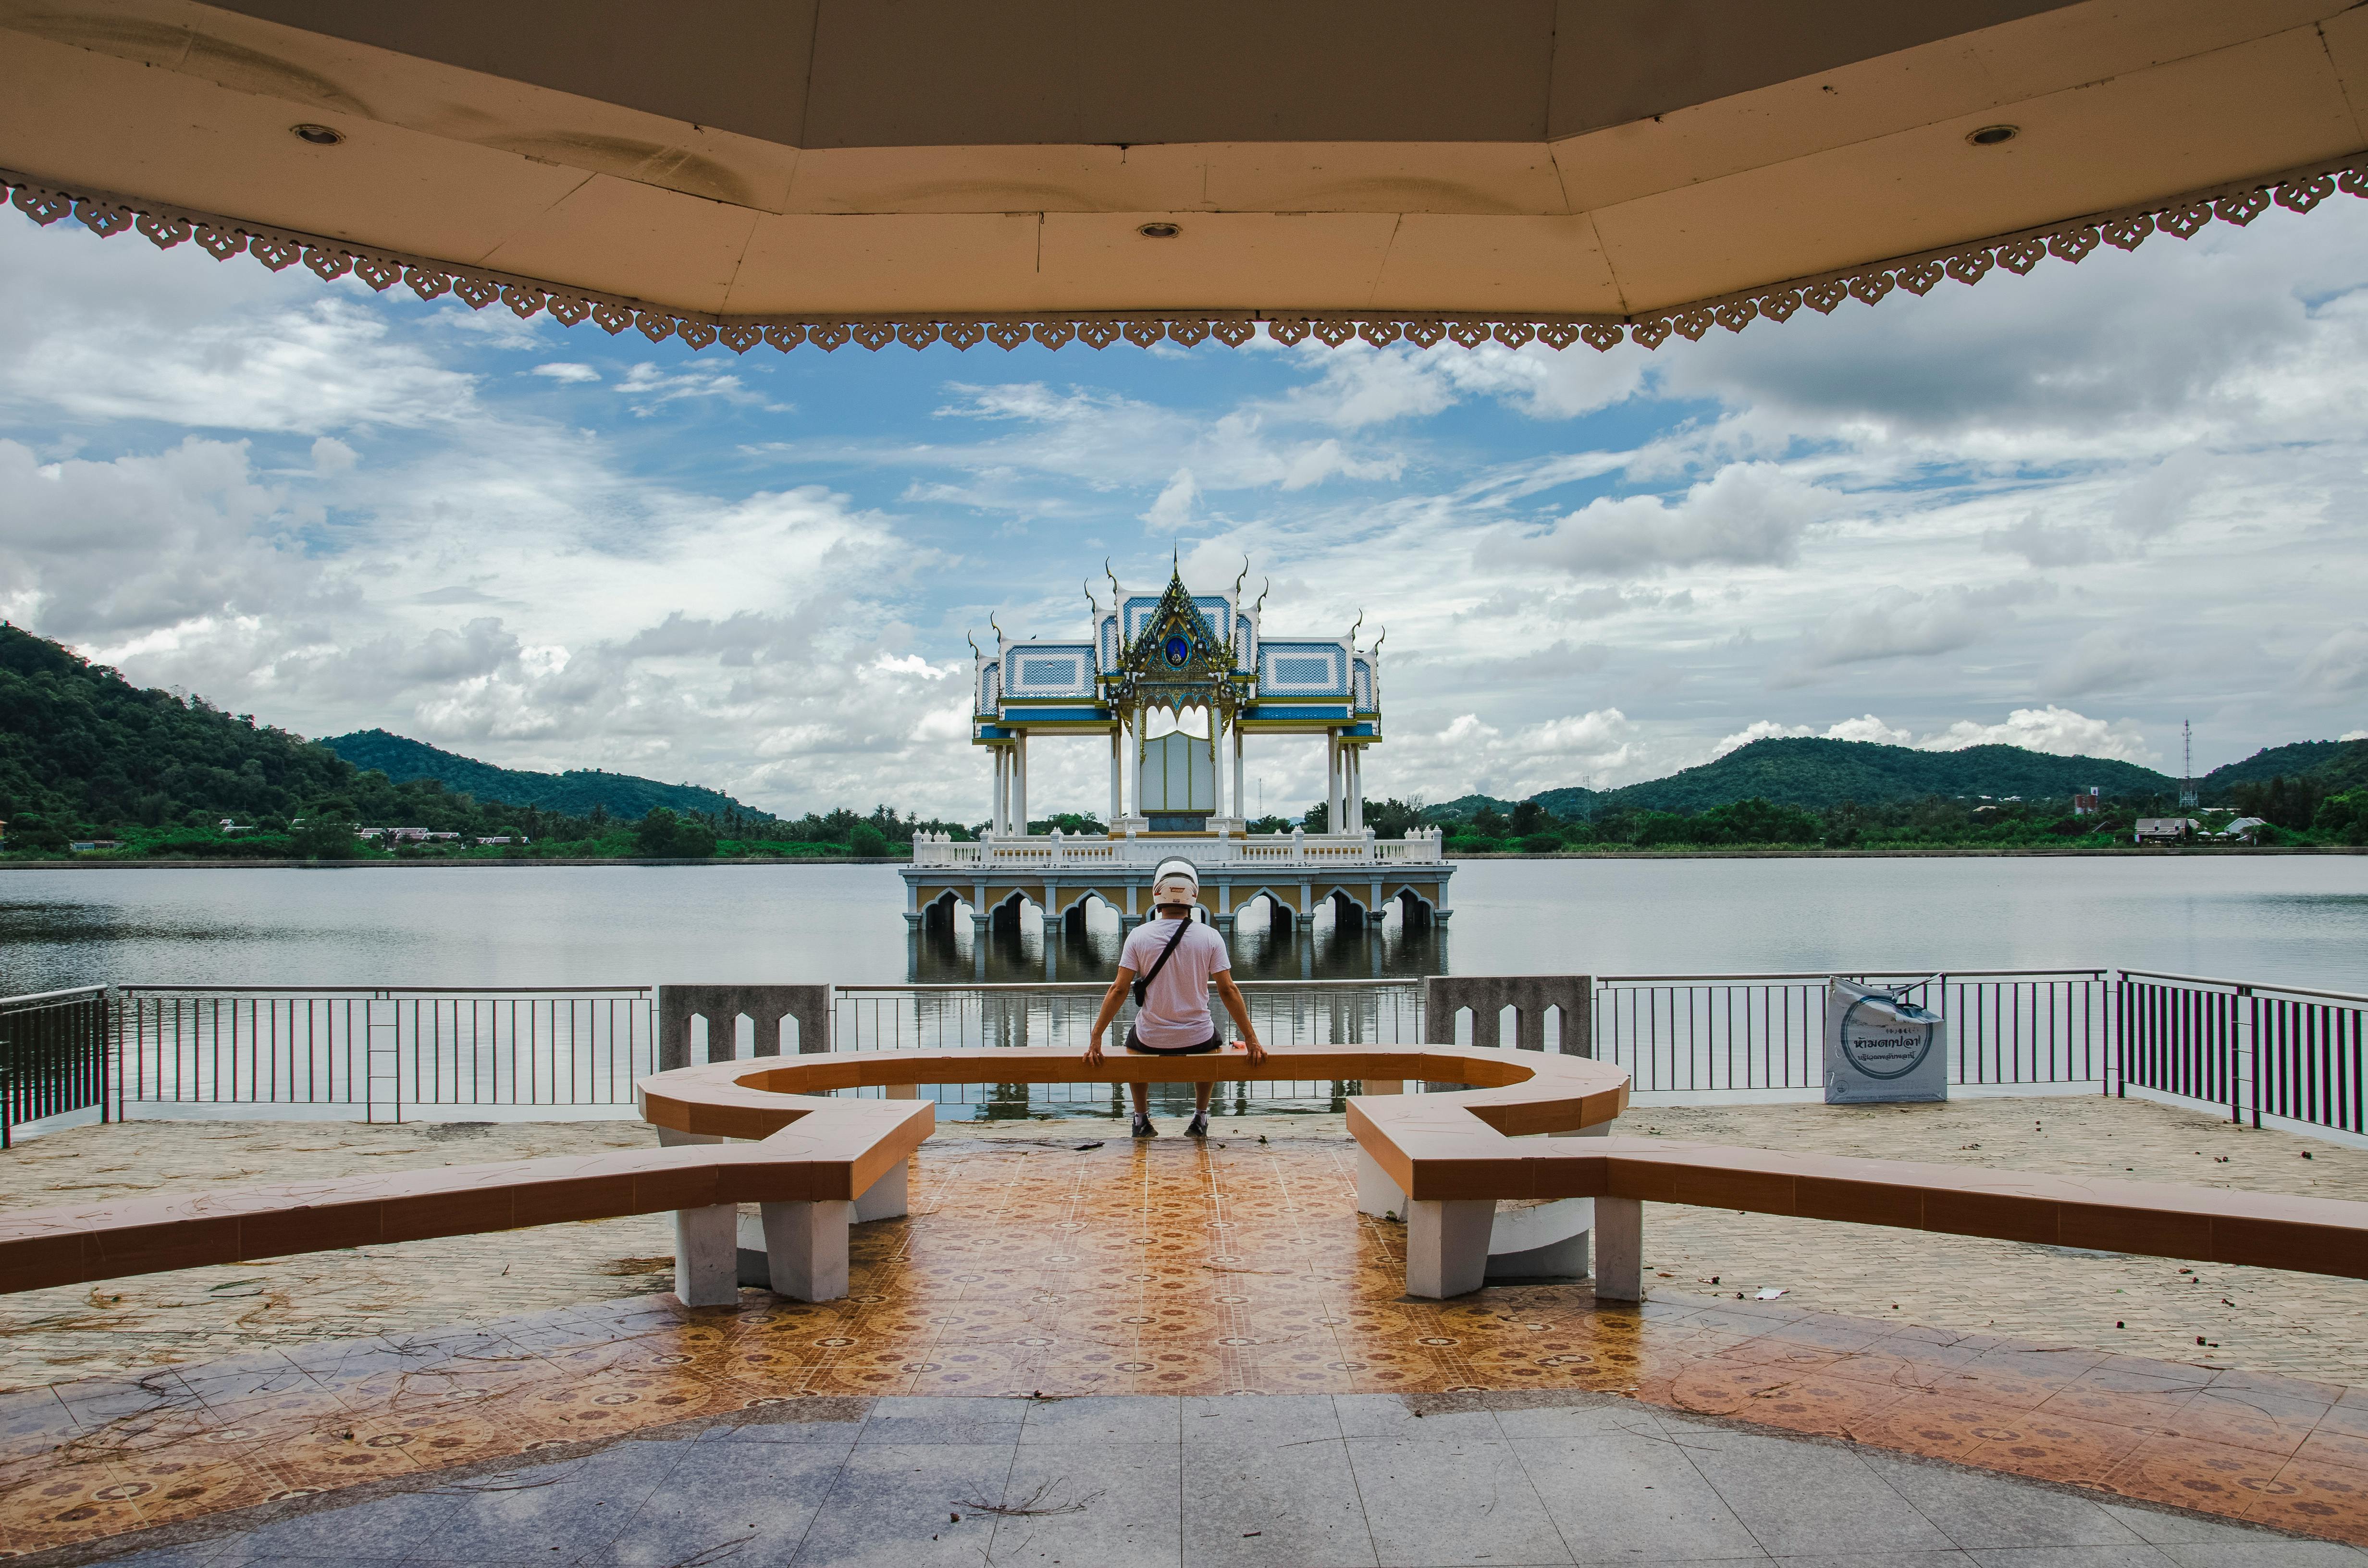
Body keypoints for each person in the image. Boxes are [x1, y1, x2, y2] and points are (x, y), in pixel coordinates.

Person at [1083, 858, 1266, 1137]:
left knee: (1133, 1045)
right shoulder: (1211, 936)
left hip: (1150, 1038)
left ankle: (1141, 1118)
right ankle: (1201, 1116)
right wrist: (1251, 1039)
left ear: (1157, 893)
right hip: (1198, 1037)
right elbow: (1229, 990)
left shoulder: (1138, 936)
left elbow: (1118, 990)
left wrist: (1096, 1038)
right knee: (1213, 1042)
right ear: (1194, 894)